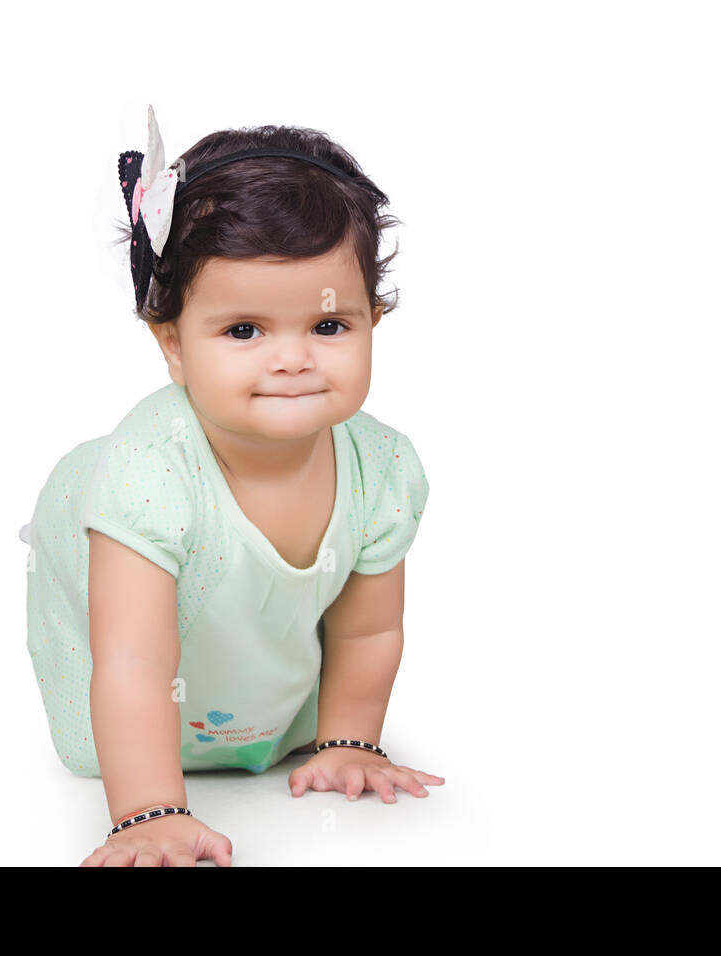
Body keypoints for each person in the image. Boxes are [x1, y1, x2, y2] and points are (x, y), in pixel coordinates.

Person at [23, 107, 443, 867]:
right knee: (135, 630)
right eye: (244, 330)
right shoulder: (149, 477)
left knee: (283, 663)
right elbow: (133, 663)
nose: (292, 359)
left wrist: (349, 741)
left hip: (271, 715)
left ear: (374, 321)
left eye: (328, 327)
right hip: (123, 711)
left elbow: (367, 630)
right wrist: (150, 812)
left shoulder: (382, 468)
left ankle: (287, 726)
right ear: (173, 343)